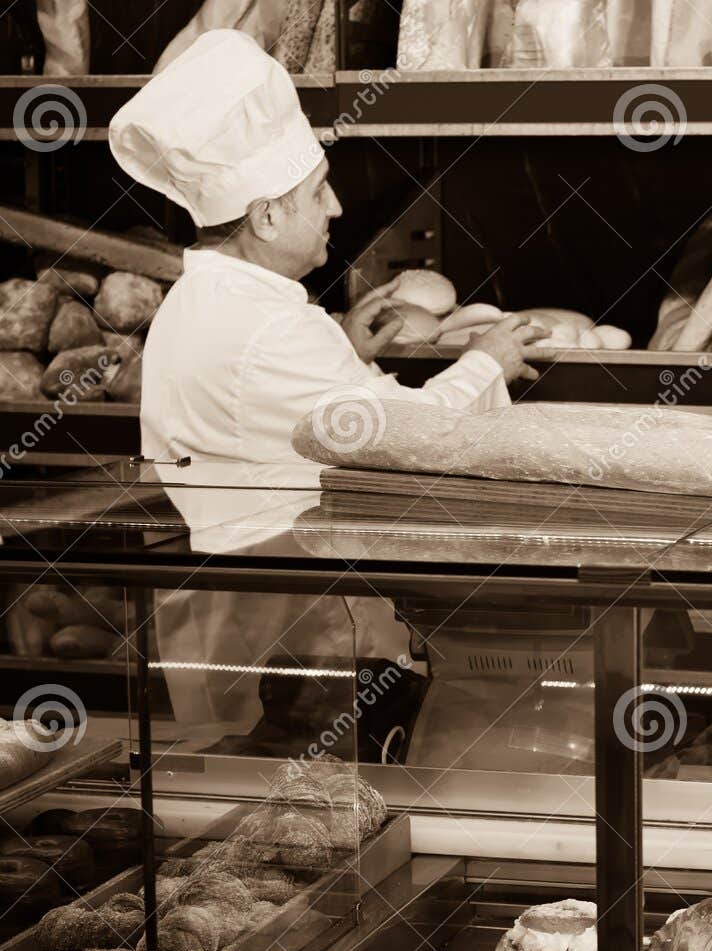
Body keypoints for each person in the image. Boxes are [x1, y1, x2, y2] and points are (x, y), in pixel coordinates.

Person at [107, 30, 547, 733]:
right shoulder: (276, 330)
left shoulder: (198, 302)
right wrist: (486, 361)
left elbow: (261, 409)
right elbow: (412, 439)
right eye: (318, 193)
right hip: (297, 636)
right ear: (268, 214)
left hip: (240, 623)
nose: (337, 209)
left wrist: (341, 351)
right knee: (309, 815)